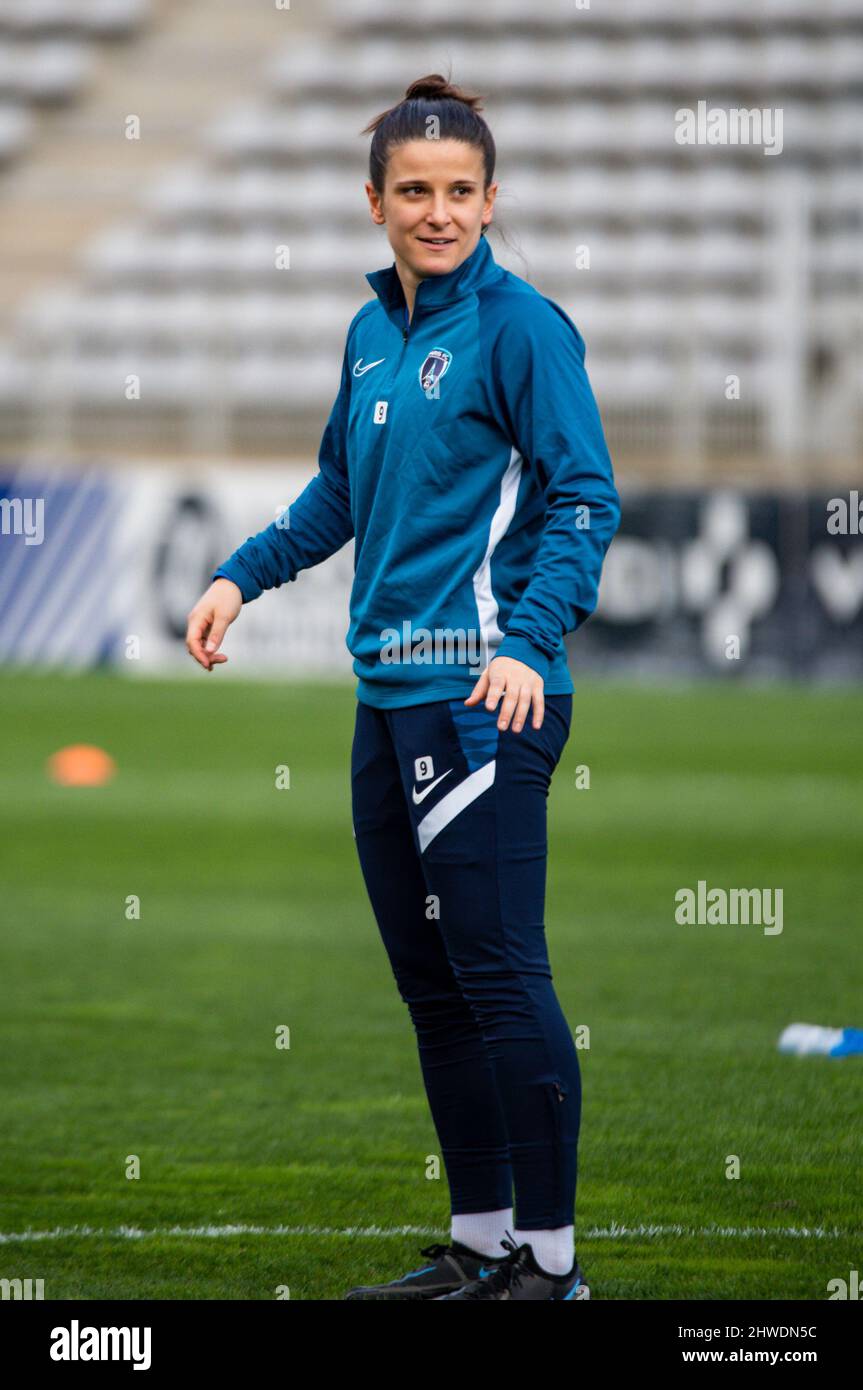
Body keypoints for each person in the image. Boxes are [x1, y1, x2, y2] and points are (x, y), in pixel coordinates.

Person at [185, 73, 620, 1301]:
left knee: (501, 974)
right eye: (414, 191)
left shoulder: (523, 326)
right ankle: (482, 1242)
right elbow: (338, 493)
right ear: (373, 201)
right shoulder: (373, 332)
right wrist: (240, 575)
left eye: (461, 192)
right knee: (432, 986)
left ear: (492, 200)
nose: (439, 212)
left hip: (486, 698)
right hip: (385, 702)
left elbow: (585, 496)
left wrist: (530, 640)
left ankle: (552, 1264)